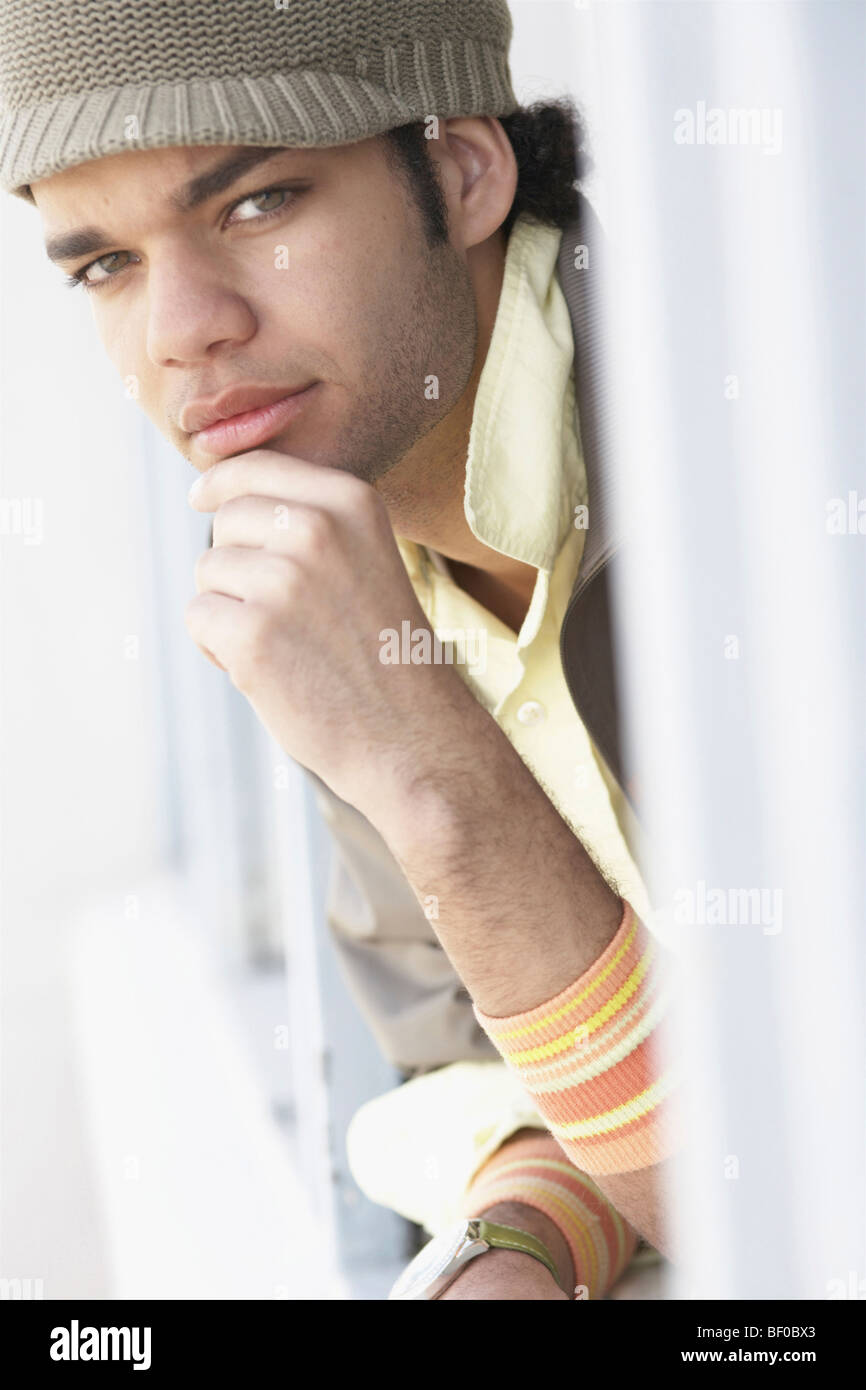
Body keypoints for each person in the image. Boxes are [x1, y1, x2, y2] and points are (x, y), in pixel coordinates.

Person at [0, 0, 680, 1299]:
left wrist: (432, 768)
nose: (181, 328)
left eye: (257, 203)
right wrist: (513, 1247)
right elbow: (495, 1071)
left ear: (464, 170)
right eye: (104, 265)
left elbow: (787, 1175)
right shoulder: (325, 531)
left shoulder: (767, 436)